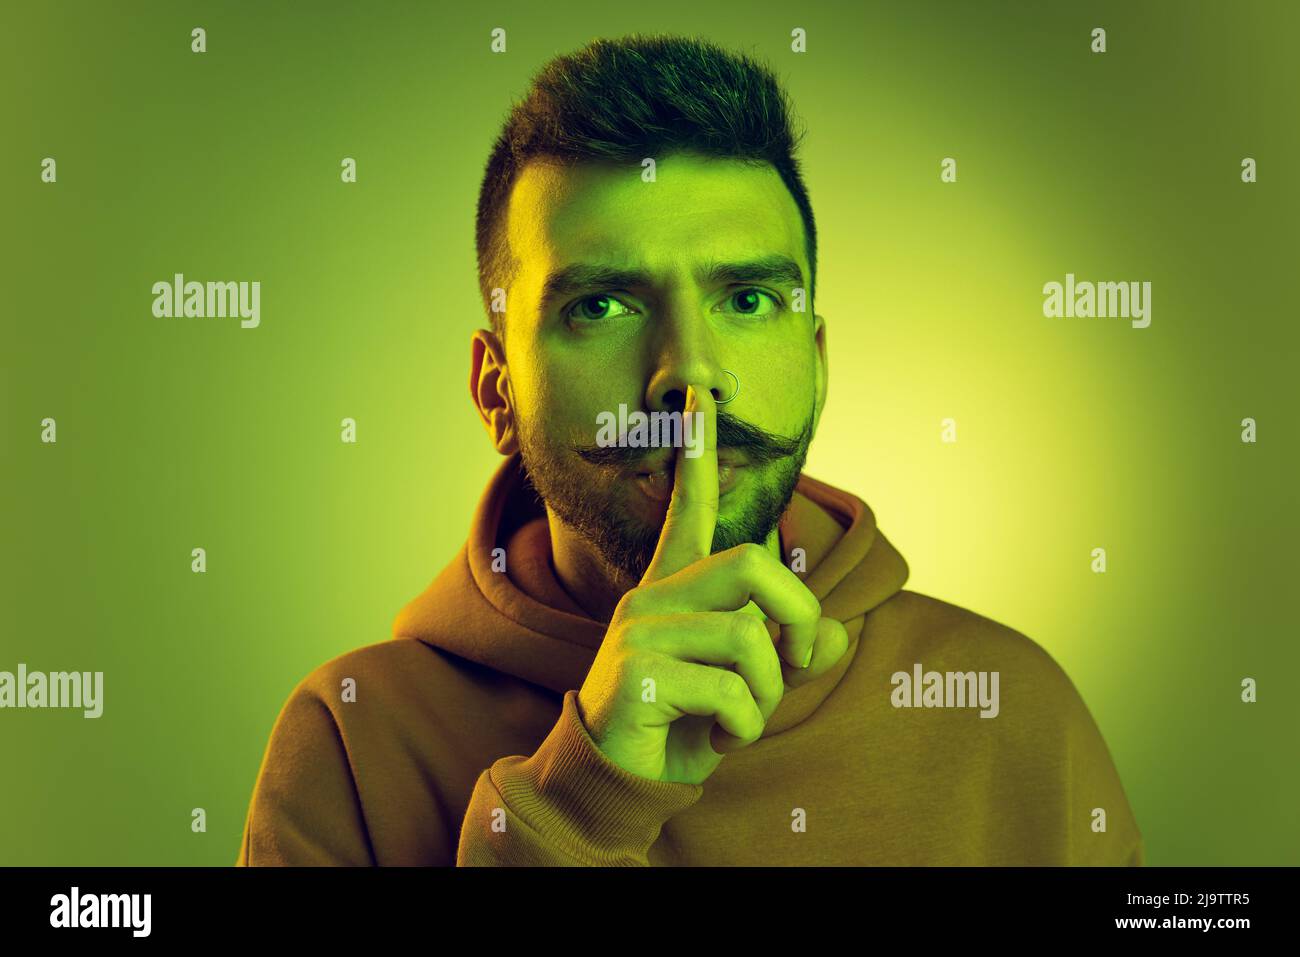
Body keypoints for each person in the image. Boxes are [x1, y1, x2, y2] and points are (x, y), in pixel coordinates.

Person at [237, 34, 1142, 866]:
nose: (691, 378)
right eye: (602, 305)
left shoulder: (1012, 706)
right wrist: (579, 806)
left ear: (817, 364)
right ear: (496, 392)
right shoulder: (351, 739)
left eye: (748, 300)